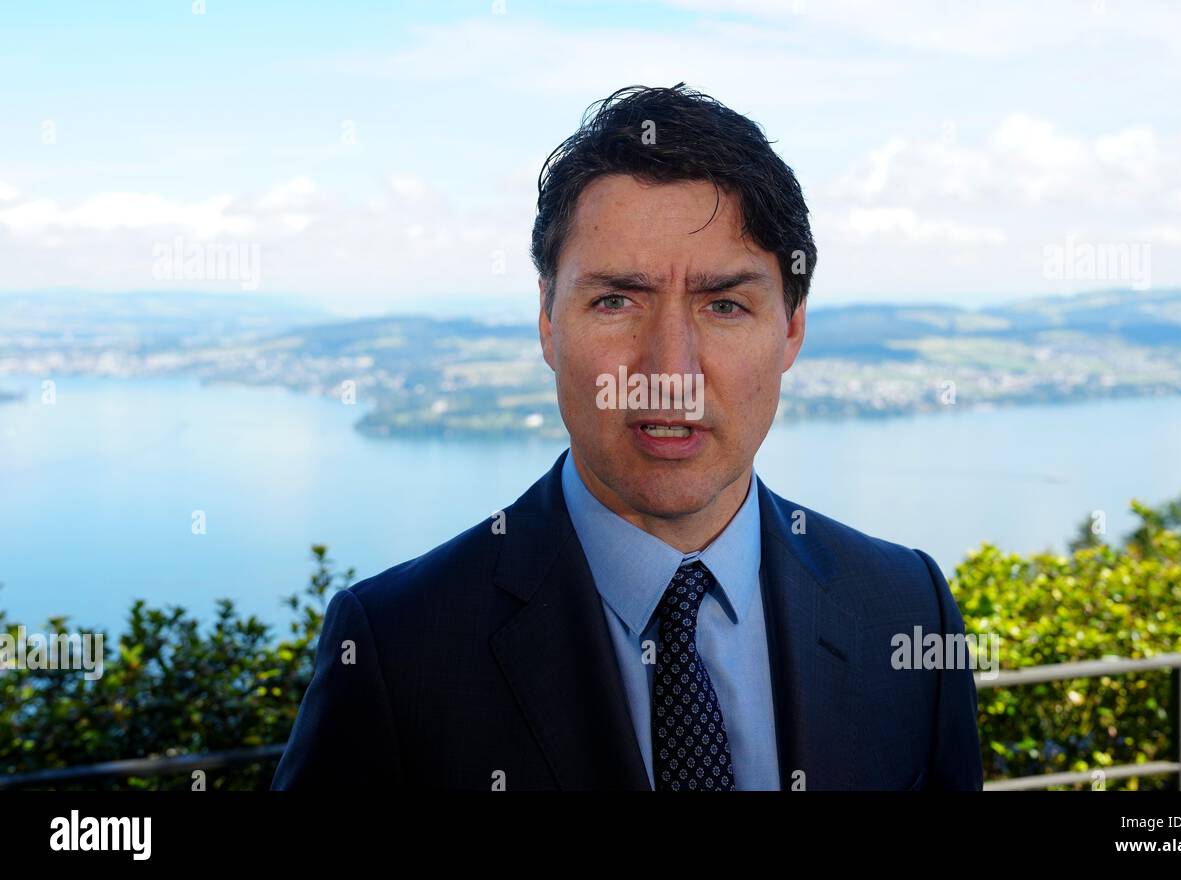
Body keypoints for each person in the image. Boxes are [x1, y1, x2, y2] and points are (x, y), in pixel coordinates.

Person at [273, 84, 982, 791]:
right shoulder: (397, 650)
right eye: (616, 300)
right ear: (548, 322)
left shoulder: (907, 606)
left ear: (791, 330)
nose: (670, 371)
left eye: (726, 305)